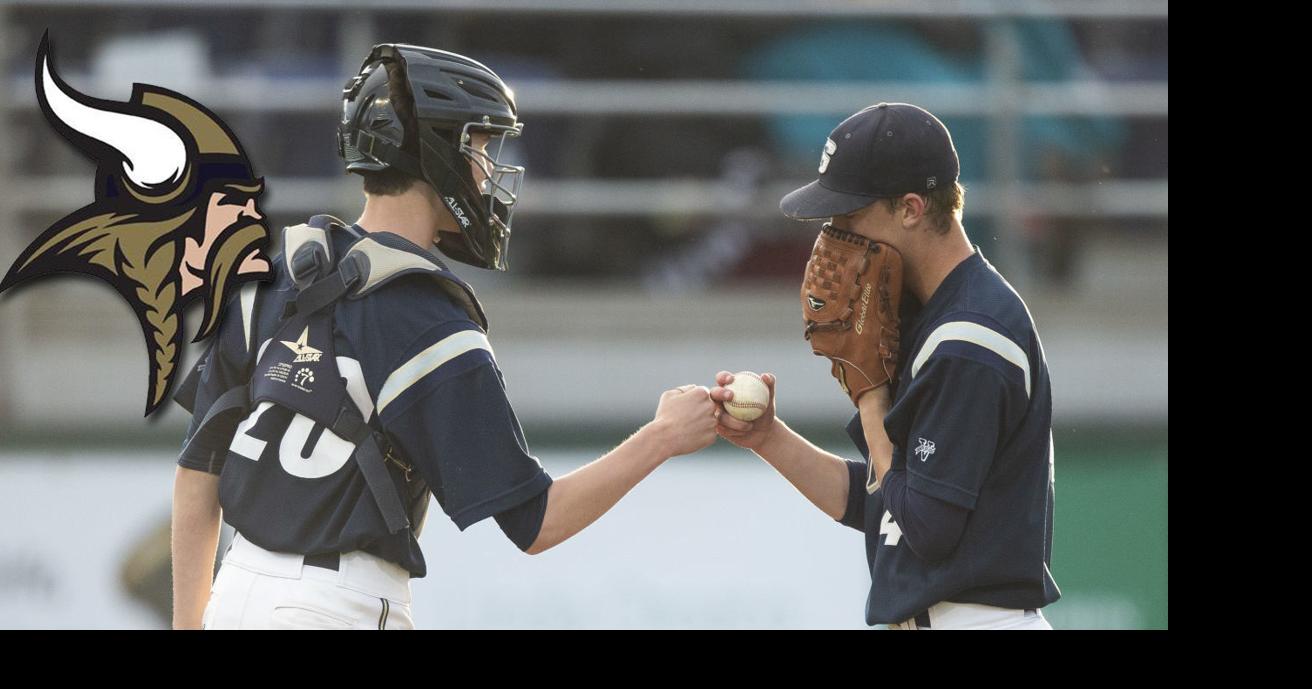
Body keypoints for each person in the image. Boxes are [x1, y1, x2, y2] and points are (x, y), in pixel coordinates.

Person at [169, 43, 719, 630]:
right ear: (438, 154)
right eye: (480, 147)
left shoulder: (274, 274)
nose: (489, 169)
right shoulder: (431, 318)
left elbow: (197, 473)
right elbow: (537, 523)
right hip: (335, 604)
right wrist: (662, 437)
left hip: (235, 591)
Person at [710, 103, 1060, 630]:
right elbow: (883, 504)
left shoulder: (970, 335)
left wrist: (872, 397)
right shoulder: (927, 313)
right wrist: (768, 438)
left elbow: (927, 526)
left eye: (849, 217)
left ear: (912, 208)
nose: (833, 237)